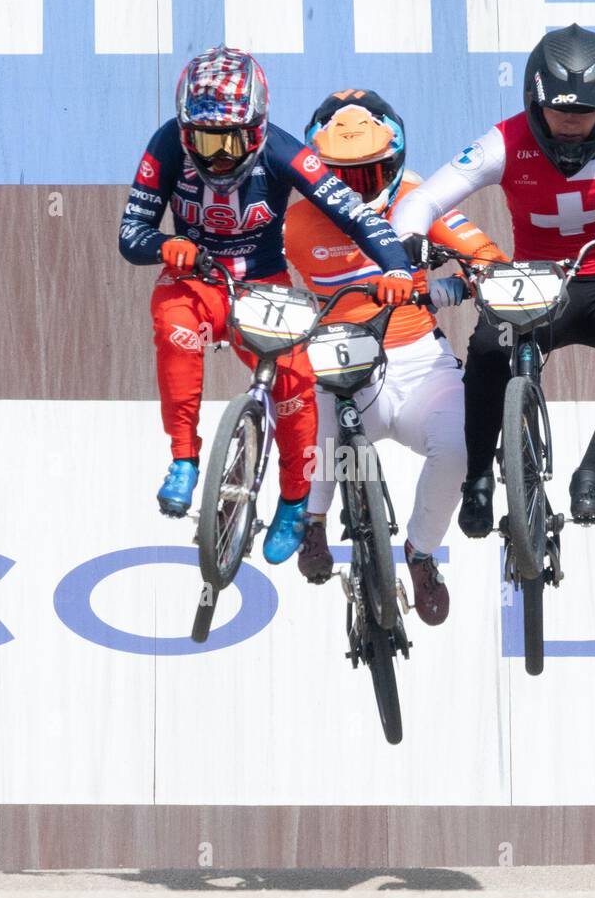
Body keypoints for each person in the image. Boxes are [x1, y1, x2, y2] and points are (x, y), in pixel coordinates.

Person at [118, 47, 415, 563]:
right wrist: (166, 245)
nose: (220, 156)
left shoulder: (285, 151)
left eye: (232, 139)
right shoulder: (166, 143)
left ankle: (294, 503)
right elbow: (130, 234)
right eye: (206, 140)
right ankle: (184, 460)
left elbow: (354, 215)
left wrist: (396, 267)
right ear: (185, 130)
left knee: (298, 386)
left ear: (258, 126)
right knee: (174, 328)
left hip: (263, 283)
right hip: (198, 277)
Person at [393, 23, 595, 531]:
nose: (573, 124)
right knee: (488, 347)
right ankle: (479, 481)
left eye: (585, 112)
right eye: (560, 111)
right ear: (536, 100)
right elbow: (420, 200)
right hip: (534, 286)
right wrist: (413, 240)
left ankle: (592, 472)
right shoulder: (504, 140)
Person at [284, 89, 504, 623]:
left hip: (417, 358)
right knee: (321, 414)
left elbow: (490, 259)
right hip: (342, 357)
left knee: (460, 445)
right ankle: (314, 523)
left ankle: (420, 553)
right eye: (340, 177)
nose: (355, 191)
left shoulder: (419, 197)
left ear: (395, 162)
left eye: (368, 174)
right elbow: (253, 271)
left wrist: (469, 281)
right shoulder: (293, 220)